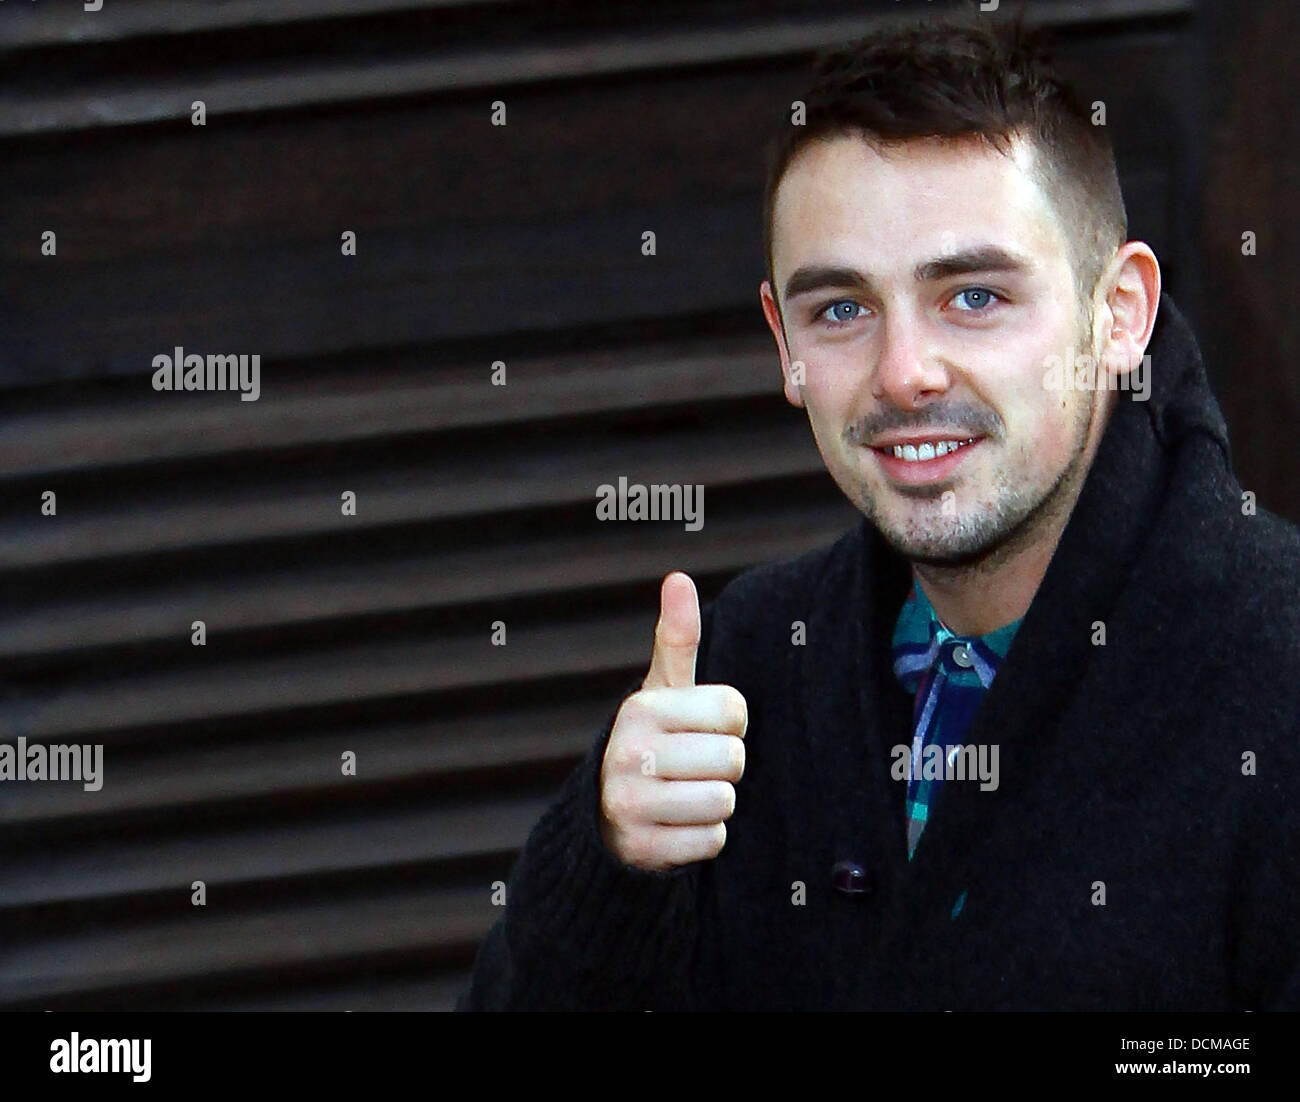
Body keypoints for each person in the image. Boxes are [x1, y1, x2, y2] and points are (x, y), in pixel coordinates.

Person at [457, 10, 1300, 1011]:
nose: (902, 374)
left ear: (1117, 314)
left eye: (974, 296)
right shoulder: (749, 665)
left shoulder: (1275, 673)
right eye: (842, 310)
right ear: (783, 345)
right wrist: (612, 864)